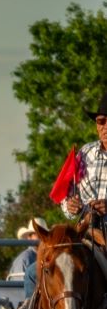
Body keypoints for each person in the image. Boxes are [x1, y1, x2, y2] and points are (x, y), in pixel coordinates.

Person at [62, 92, 107, 222]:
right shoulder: (85, 153)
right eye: (101, 121)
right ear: (96, 125)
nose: (105, 127)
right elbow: (68, 194)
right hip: (86, 232)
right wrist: (70, 206)